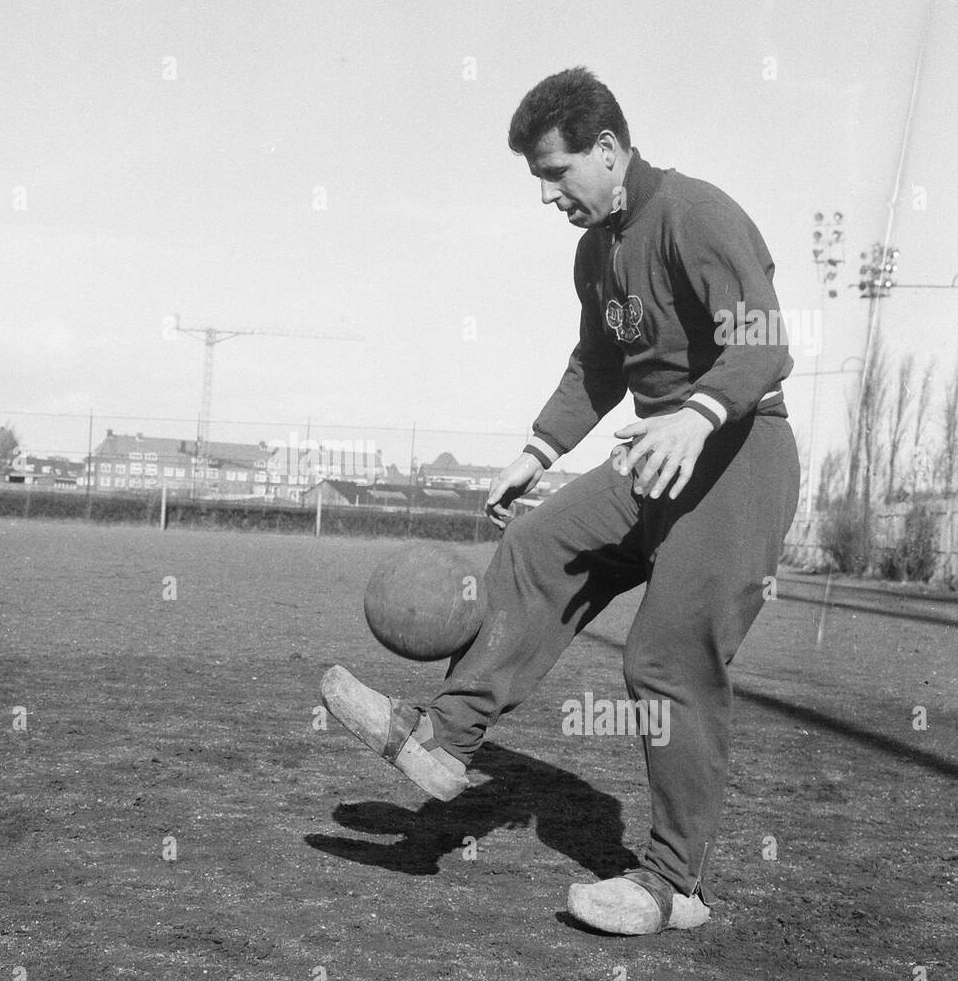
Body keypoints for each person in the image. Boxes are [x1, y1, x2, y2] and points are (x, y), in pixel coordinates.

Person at [322, 67, 800, 936]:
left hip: (738, 454)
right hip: (653, 456)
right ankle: (444, 738)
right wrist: (535, 452)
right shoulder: (594, 250)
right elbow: (600, 368)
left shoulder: (698, 213)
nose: (546, 195)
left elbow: (764, 343)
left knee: (663, 661)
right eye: (536, 179)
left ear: (609, 151)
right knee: (539, 544)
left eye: (555, 173)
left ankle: (672, 885)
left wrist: (694, 416)